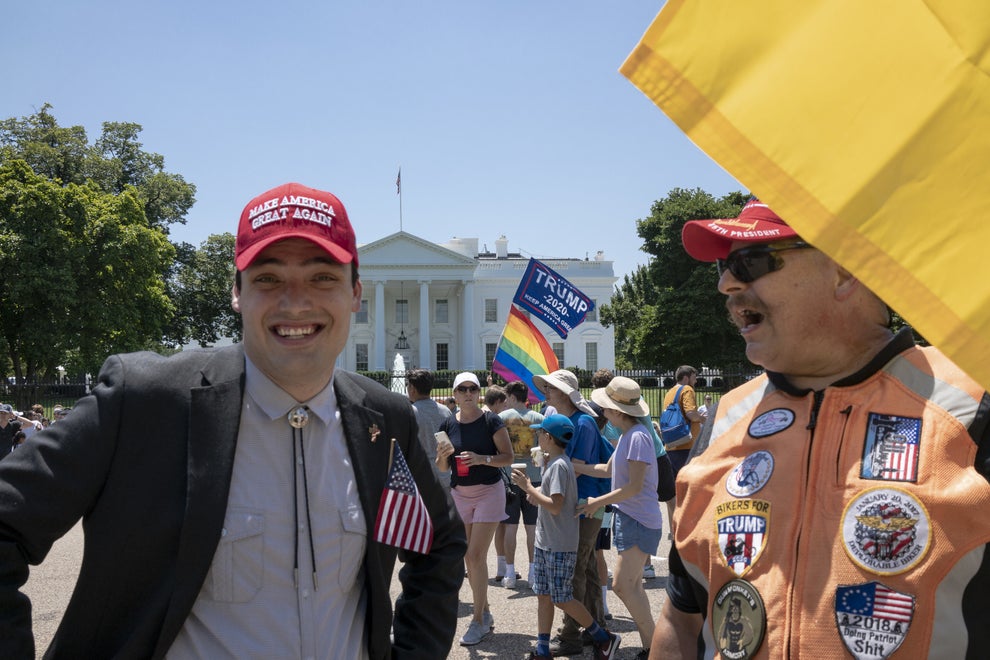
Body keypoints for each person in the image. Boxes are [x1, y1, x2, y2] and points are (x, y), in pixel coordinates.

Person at [0, 182, 467, 659]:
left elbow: (441, 542)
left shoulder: (384, 418)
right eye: (267, 278)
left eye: (322, 276)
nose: (295, 302)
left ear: (355, 294)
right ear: (237, 293)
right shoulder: (144, 401)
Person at [650, 198, 990, 658]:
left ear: (845, 269)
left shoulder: (971, 408)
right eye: (722, 267)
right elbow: (681, 614)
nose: (727, 284)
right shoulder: (725, 419)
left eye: (749, 262)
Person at [512, 414, 621, 660]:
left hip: (558, 544)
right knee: (544, 595)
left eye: (540, 432)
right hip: (547, 541)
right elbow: (551, 498)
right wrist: (536, 491)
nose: (538, 436)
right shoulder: (556, 463)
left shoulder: (560, 465)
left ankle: (603, 637)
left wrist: (528, 488)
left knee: (562, 598)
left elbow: (555, 505)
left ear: (548, 438)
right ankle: (542, 649)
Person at [578, 376, 664, 660]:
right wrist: (577, 465)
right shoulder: (630, 435)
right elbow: (607, 470)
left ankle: (656, 647)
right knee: (633, 585)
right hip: (632, 519)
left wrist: (596, 502)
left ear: (618, 412)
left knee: (623, 585)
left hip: (638, 520)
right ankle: (650, 647)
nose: (603, 412)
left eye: (606, 408)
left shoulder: (636, 437)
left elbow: (633, 487)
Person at [533, 369, 610, 657]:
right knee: (586, 567)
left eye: (551, 388)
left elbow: (574, 466)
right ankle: (595, 628)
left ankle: (570, 637)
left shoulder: (585, 423)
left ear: (565, 394)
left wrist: (548, 484)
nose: (546, 393)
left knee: (575, 570)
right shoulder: (573, 421)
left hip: (584, 506)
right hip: (579, 506)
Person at [436, 371, 514, 646]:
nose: (467, 393)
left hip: (488, 492)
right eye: (462, 389)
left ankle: (477, 620)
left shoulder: (491, 420)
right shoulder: (447, 423)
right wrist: (442, 458)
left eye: (472, 389)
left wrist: (482, 459)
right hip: (460, 493)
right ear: (454, 394)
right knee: (469, 560)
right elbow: (443, 468)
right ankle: (486, 612)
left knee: (475, 555)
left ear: (478, 393)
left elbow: (508, 457)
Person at [495, 380, 544, 589]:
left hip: (509, 479)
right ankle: (533, 572)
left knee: (510, 528)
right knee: (532, 528)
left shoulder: (501, 419)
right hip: (533, 479)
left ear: (512, 397)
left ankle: (509, 572)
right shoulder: (539, 419)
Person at [660, 365, 705, 533]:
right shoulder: (687, 389)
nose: (695, 381)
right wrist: (703, 419)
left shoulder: (670, 392)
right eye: (694, 377)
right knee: (689, 491)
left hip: (671, 445)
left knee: (676, 493)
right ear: (687, 377)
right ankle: (688, 529)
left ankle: (676, 529)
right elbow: (691, 413)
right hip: (687, 446)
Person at [406, 367, 452, 469]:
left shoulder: (410, 413)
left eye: (408, 385)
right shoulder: (446, 411)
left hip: (421, 473)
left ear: (412, 389)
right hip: (444, 474)